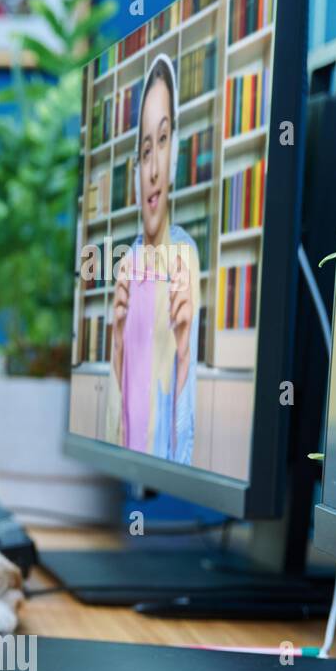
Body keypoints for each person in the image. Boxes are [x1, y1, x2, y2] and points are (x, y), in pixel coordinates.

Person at [108, 54, 200, 464]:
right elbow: (115, 416)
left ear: (175, 154)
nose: (153, 167)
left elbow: (185, 433)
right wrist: (116, 339)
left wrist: (182, 350)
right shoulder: (128, 261)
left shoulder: (183, 254)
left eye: (162, 141)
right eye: (145, 150)